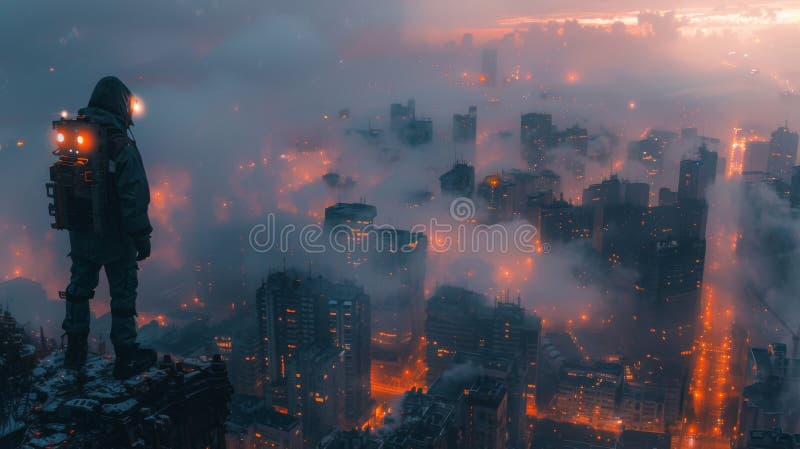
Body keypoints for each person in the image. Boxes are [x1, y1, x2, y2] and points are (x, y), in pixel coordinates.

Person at [61, 76, 156, 379]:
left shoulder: (74, 137)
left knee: (79, 289)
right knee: (123, 295)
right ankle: (126, 356)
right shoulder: (120, 145)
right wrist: (141, 236)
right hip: (116, 238)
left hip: (82, 232)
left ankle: (75, 353)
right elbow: (134, 194)